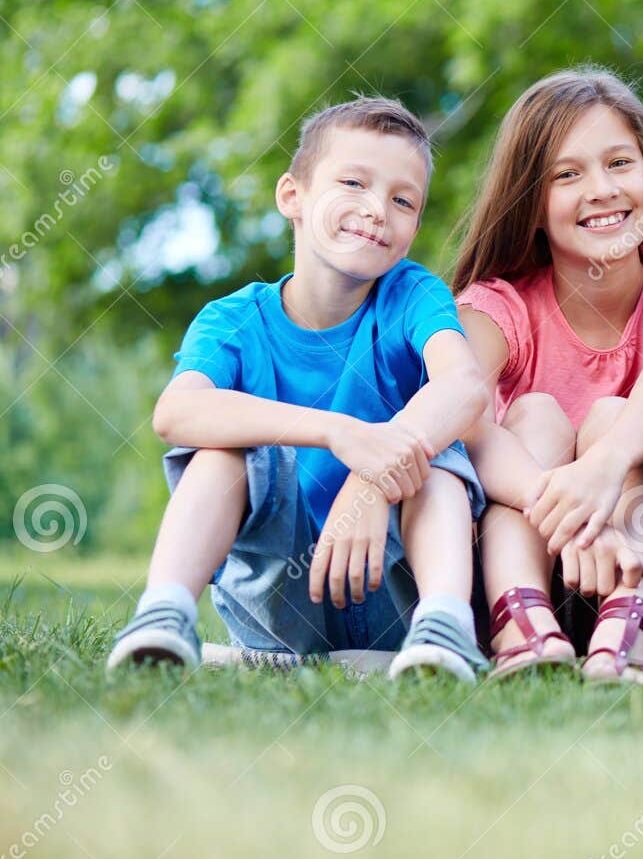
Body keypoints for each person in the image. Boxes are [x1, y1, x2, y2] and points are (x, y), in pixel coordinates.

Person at [107, 97, 492, 682]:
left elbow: (464, 387)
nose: (376, 209)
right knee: (222, 449)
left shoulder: (413, 295)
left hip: (398, 590)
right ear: (293, 196)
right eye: (354, 182)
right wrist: (340, 434)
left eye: (402, 199)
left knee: (437, 449)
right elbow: (176, 411)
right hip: (280, 601)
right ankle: (163, 616)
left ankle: (444, 627)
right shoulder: (234, 319)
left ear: (415, 225)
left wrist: (370, 479)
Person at [453, 69, 643, 683]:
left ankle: (627, 642)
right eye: (567, 175)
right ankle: (523, 632)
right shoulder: (496, 307)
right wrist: (566, 509)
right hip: (518, 571)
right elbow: (456, 419)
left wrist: (600, 472)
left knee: (612, 417)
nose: (601, 189)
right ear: (531, 205)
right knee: (533, 416)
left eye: (619, 164)